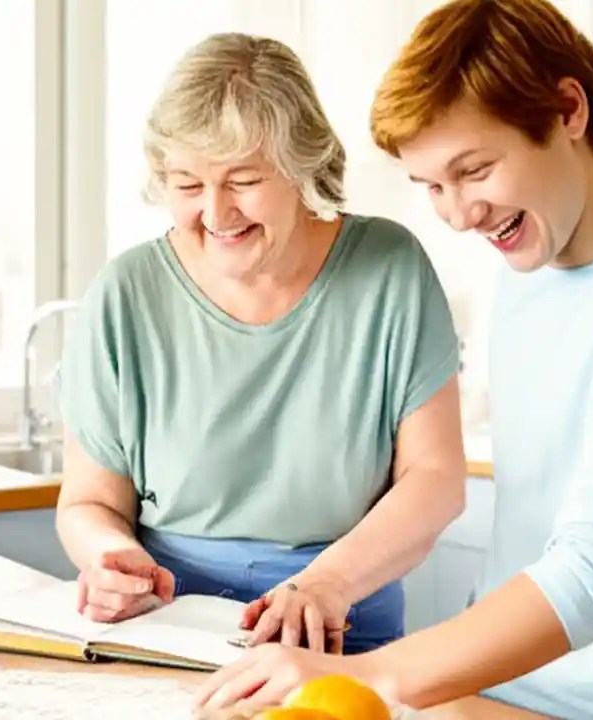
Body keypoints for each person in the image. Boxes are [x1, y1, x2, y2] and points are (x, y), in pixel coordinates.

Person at [196, 1, 593, 718]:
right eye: (432, 186)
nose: (458, 215)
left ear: (567, 110)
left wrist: (378, 673)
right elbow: (529, 540)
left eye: (475, 170)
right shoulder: (532, 269)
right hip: (495, 700)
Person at [54, 32, 467, 656]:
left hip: (344, 625)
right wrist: (113, 560)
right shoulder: (124, 293)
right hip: (163, 629)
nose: (216, 213)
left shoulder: (389, 269)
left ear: (302, 167)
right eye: (187, 184)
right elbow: (88, 501)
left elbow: (434, 477)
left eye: (242, 180)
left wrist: (326, 583)